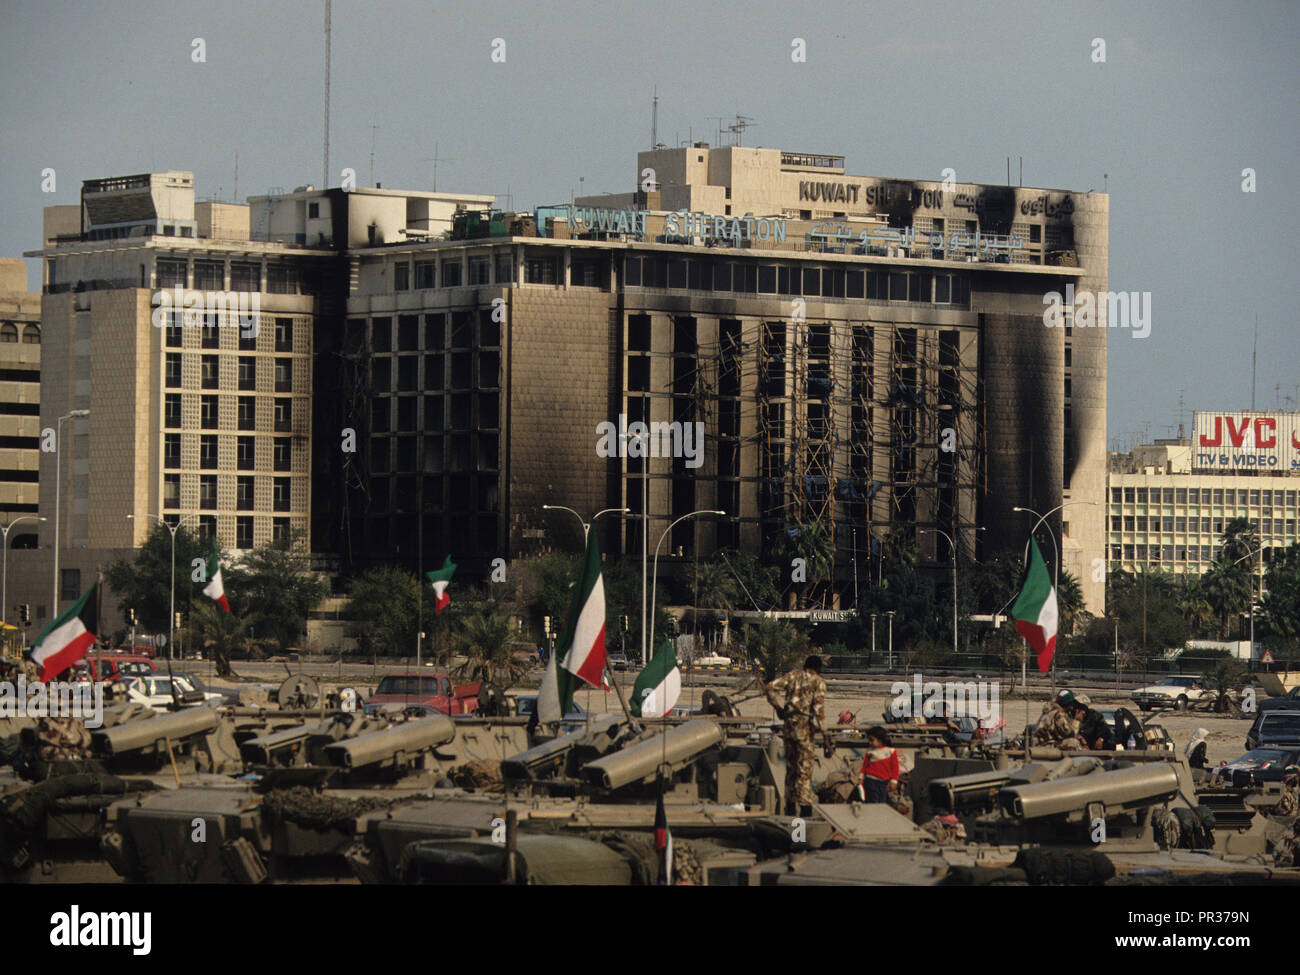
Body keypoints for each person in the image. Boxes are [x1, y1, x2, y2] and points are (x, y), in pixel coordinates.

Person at [762, 654, 828, 817]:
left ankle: (790, 808)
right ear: (818, 668)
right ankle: (805, 810)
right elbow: (819, 710)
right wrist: (825, 735)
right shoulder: (818, 682)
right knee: (804, 770)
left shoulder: (792, 676)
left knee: (790, 769)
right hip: (805, 728)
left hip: (789, 727)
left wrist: (777, 708)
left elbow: (769, 687)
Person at [859, 727, 899, 803]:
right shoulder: (870, 751)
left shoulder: (891, 751)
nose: (870, 743)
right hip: (871, 780)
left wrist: (894, 781)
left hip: (884, 782)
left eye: (872, 740)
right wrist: (861, 777)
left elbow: (895, 767)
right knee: (873, 801)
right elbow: (865, 766)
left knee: (882, 801)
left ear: (880, 740)